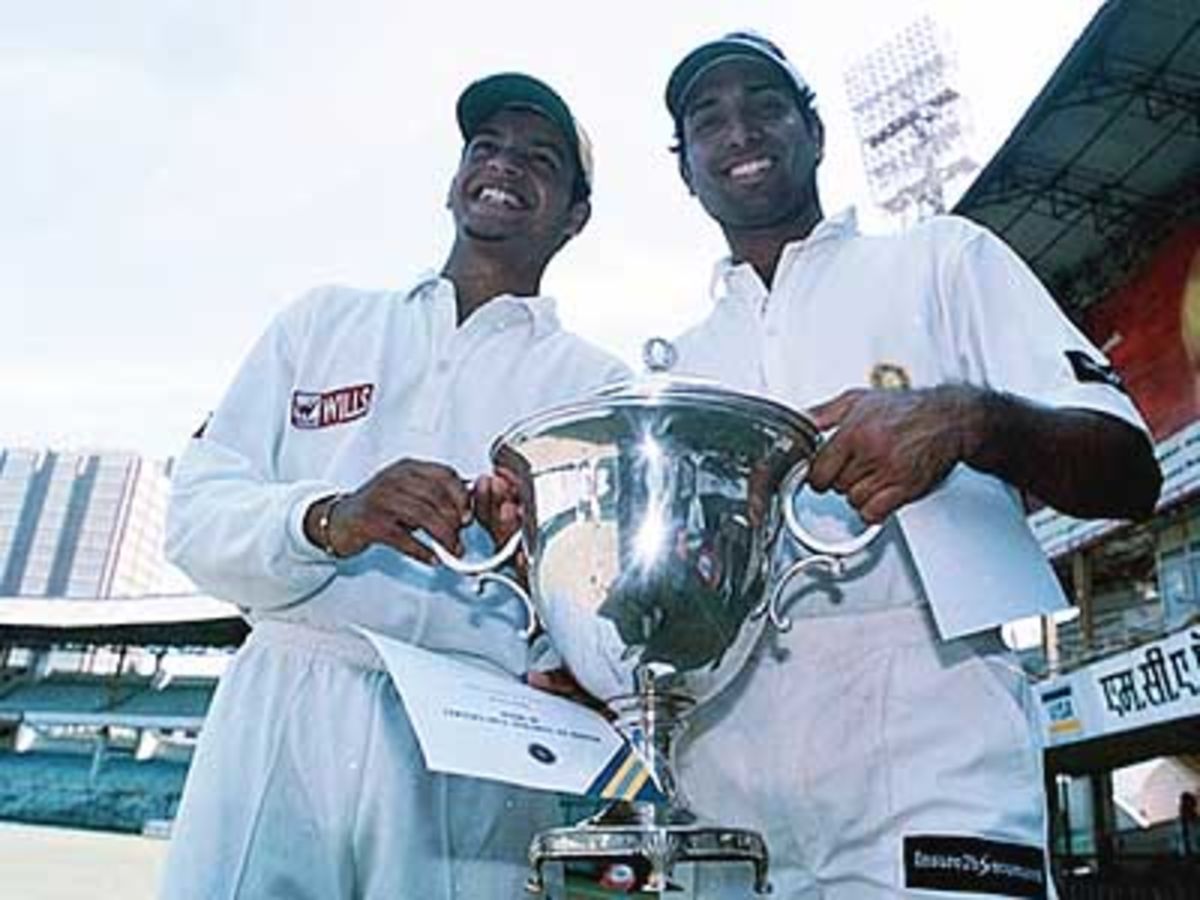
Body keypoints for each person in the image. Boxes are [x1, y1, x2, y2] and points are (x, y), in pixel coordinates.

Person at [659, 32, 1162, 899]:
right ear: (686, 169)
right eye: (709, 119)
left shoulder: (941, 259)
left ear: (814, 133)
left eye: (766, 105)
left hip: (937, 741)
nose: (738, 131)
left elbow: (1129, 472)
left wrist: (971, 419)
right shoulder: (675, 371)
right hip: (723, 774)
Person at [160, 72, 629, 900]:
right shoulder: (323, 321)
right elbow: (196, 518)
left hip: (478, 726)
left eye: (540, 159)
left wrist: (533, 561)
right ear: (454, 180)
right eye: (486, 147)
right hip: (284, 696)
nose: (504, 166)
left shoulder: (596, 386)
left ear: (575, 215)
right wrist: (330, 518)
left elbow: (610, 625)